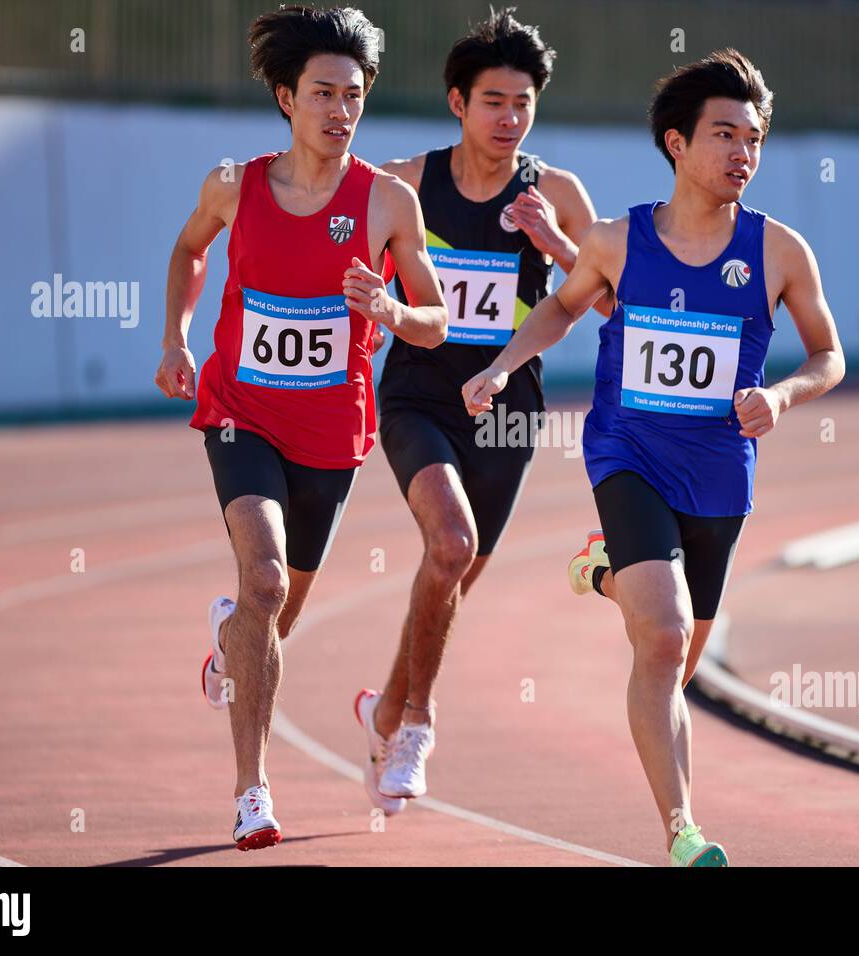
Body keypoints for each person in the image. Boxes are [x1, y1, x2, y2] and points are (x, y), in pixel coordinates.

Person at [462, 49, 845, 866]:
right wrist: (499, 365)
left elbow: (828, 357)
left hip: (719, 475)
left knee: (673, 658)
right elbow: (561, 311)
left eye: (754, 139)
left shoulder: (780, 252)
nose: (742, 153)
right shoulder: (616, 241)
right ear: (677, 144)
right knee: (665, 638)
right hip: (627, 452)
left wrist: (780, 396)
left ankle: (605, 573)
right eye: (724, 135)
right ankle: (683, 833)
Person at [152, 4, 446, 851]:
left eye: (354, 94)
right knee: (268, 585)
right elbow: (187, 251)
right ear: (286, 97)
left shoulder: (387, 201)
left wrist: (389, 306)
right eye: (322, 92)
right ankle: (253, 792)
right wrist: (174, 338)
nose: (340, 109)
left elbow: (435, 320)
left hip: (331, 435)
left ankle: (230, 643)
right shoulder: (234, 184)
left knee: (269, 623)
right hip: (241, 412)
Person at [353, 8, 608, 812]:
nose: (510, 118)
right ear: (457, 102)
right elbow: (341, 281)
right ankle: (419, 725)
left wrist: (560, 246)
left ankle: (384, 710)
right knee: (451, 542)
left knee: (453, 572)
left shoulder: (557, 191)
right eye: (494, 101)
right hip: (419, 394)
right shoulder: (402, 184)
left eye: (524, 102)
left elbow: (608, 305)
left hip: (507, 406)